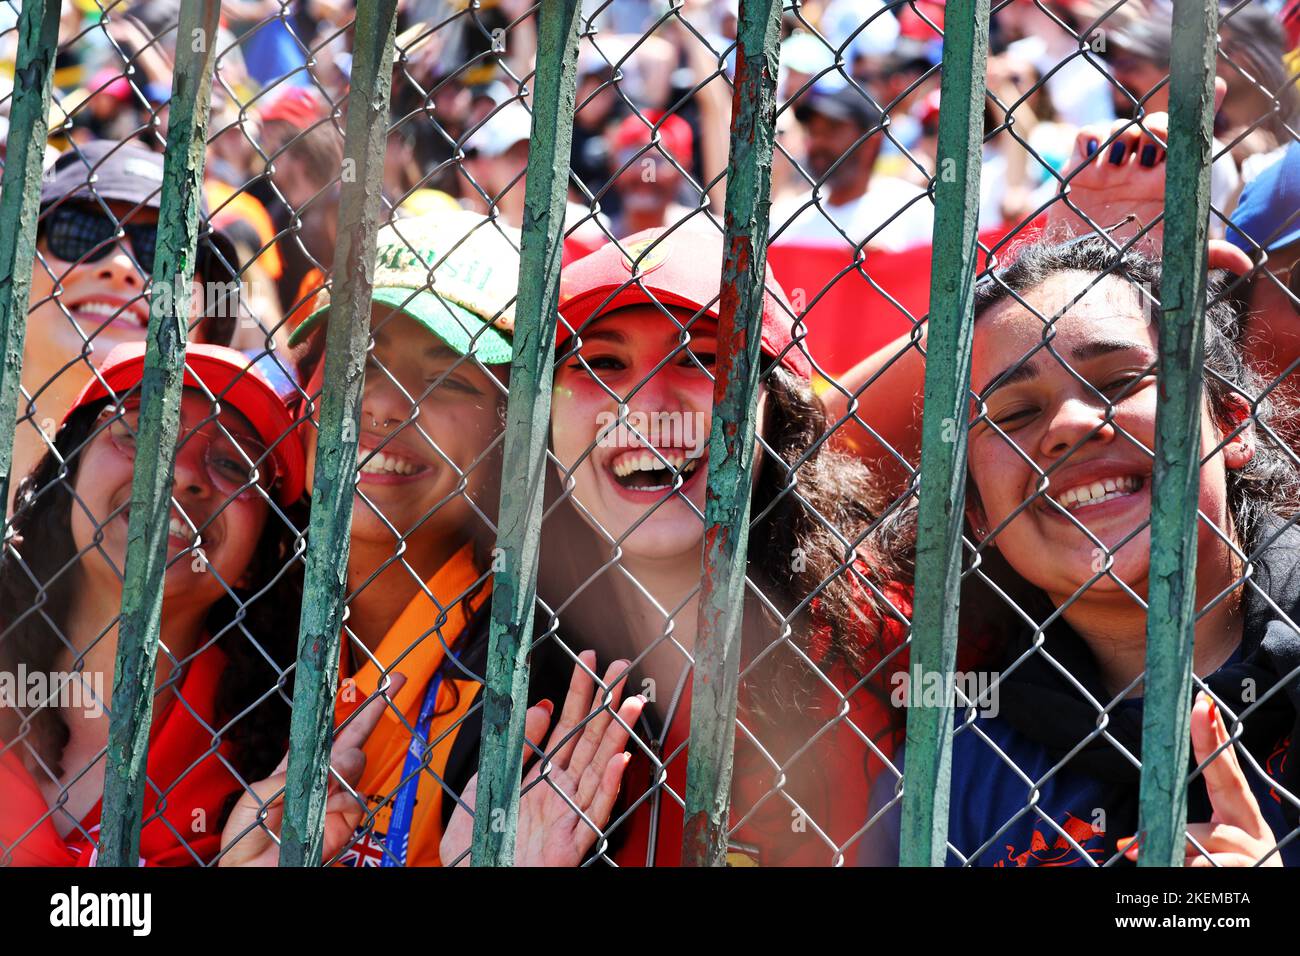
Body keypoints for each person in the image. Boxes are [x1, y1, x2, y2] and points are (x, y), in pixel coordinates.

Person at [535, 224, 970, 865]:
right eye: (601, 362)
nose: (647, 407)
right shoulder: (493, 641)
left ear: (777, 409)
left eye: (703, 358)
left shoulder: (894, 641)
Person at [219, 210, 642, 867]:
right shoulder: (223, 609)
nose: (386, 404)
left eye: (448, 379)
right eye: (359, 357)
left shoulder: (542, 691)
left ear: (515, 438)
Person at [862, 237, 1300, 866]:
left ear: (1232, 421)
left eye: (1121, 381)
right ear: (980, 514)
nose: (1068, 425)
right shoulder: (945, 777)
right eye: (1013, 414)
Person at [0, 342, 307, 866]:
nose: (181, 472)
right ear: (68, 473)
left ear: (260, 553)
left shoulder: (277, 764)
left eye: (234, 464)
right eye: (142, 430)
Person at [15, 139, 241, 514]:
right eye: (81, 232)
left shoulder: (211, 523)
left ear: (204, 323)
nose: (121, 266)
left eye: (163, 251)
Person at [772, 83, 934, 252]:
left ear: (871, 141)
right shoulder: (786, 221)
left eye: (831, 130)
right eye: (813, 131)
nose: (818, 142)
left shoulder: (914, 211)